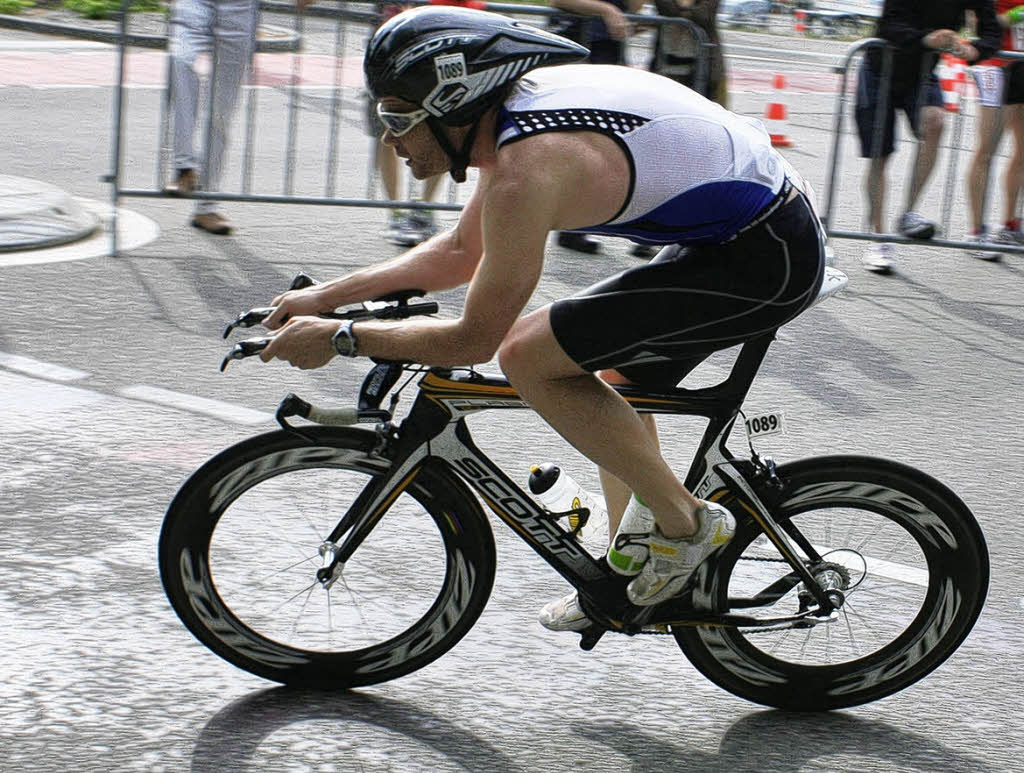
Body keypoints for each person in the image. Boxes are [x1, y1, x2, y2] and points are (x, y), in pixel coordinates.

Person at [257, 7, 826, 630]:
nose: (387, 139)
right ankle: (641, 564)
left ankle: (687, 527)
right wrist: (322, 297)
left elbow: (474, 339)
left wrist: (343, 337)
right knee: (608, 382)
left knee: (529, 355)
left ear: (453, 102)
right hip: (738, 231)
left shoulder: (528, 171)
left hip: (765, 255)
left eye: (396, 118)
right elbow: (458, 253)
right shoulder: (511, 128)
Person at [855, 0, 1000, 274]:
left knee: (935, 122)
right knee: (880, 156)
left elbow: (991, 30)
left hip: (922, 72)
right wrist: (926, 39)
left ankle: (908, 214)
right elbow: (888, 25)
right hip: (880, 68)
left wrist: (976, 49)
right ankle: (879, 240)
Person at [164, 0, 312, 235]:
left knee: (221, 111)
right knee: (180, 59)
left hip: (240, 7)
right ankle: (184, 167)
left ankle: (206, 206)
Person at [549, 0, 649, 256]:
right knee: (575, 141)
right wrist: (607, 10)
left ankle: (576, 225)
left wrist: (624, 14)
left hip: (607, 49)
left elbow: (635, 7)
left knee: (602, 142)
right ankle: (568, 225)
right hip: (576, 46)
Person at [966, 2, 1024, 260]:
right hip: (995, 63)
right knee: (987, 148)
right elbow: (974, 22)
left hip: (1020, 62)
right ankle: (977, 232)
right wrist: (1017, 14)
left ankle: (1010, 226)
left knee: (1023, 152)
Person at [648, 0, 728, 110]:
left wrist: (682, 9)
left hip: (707, 71)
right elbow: (667, 9)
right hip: (666, 67)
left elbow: (703, 15)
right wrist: (686, 9)